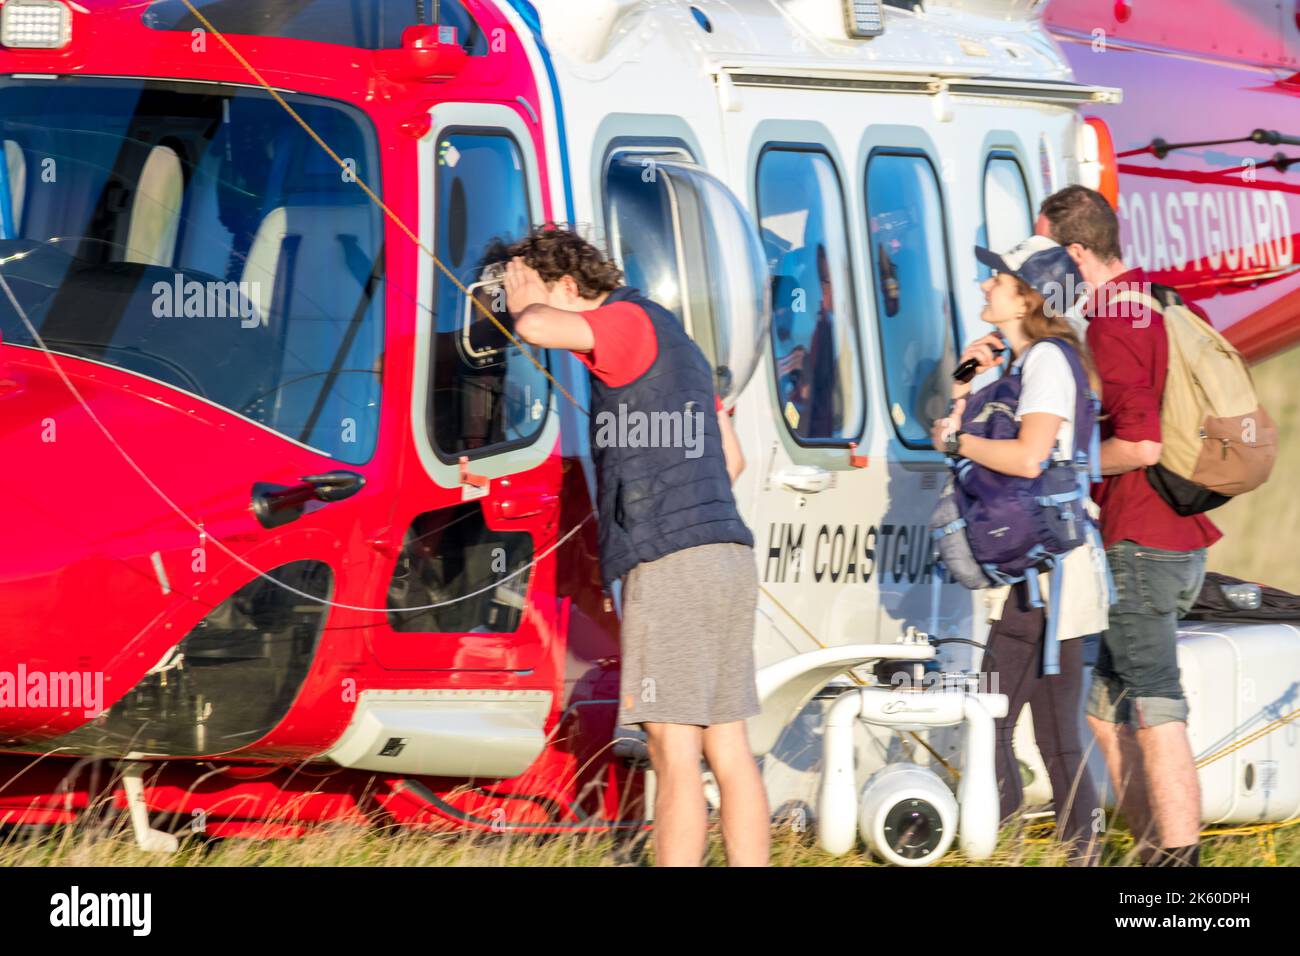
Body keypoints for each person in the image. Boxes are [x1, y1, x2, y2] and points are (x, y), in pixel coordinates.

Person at [503, 225, 769, 867]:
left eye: (532, 284)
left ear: (569, 286)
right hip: (725, 555)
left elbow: (539, 328)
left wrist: (520, 307)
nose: (520, 297)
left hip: (673, 565)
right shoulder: (678, 342)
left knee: (671, 748)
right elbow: (731, 458)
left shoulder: (622, 323)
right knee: (727, 746)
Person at [1036, 185, 1219, 867]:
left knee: (1154, 704)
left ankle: (1179, 875)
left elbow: (1140, 444)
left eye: (1045, 251)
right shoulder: (1164, 300)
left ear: (1077, 253)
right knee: (1103, 705)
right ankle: (1148, 857)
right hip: (1178, 531)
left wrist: (1065, 465)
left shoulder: (1113, 322)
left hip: (1141, 539)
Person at [930, 235, 1107, 865]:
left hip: (1049, 574)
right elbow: (960, 431)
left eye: (997, 279)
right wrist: (965, 382)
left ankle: (1007, 848)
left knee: (997, 719)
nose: (985, 286)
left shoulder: (1048, 365)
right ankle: (1070, 853)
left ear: (1028, 296)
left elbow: (1029, 457)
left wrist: (958, 447)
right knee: (1042, 728)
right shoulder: (1026, 365)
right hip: (1046, 571)